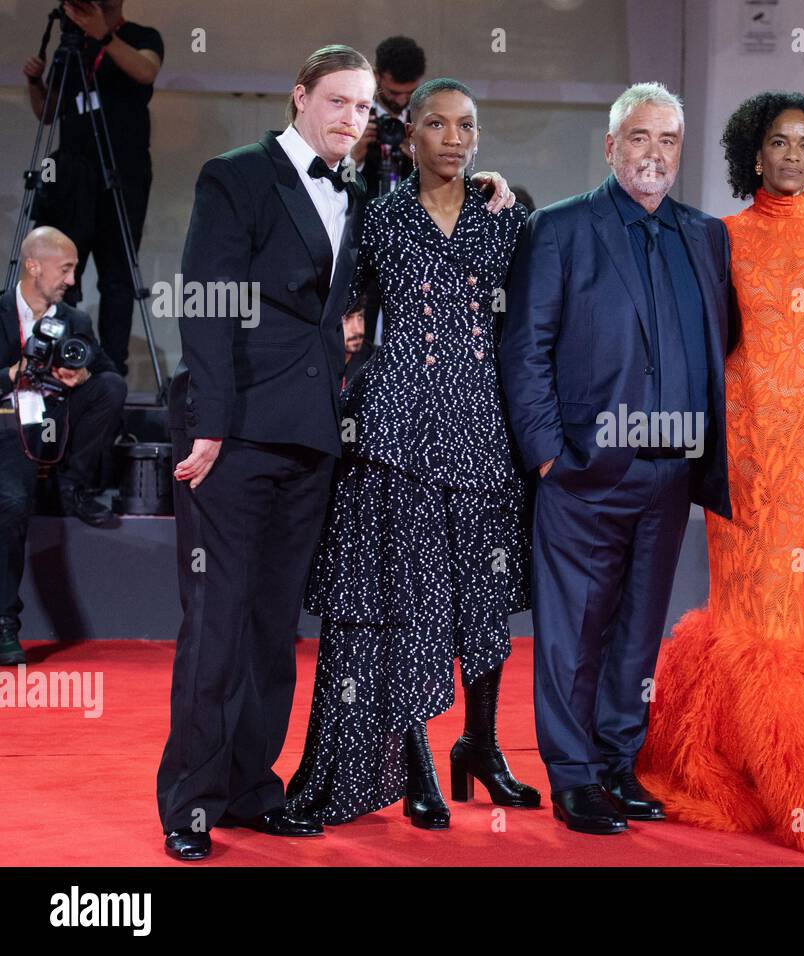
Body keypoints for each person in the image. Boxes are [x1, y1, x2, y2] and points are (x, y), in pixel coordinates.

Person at [636, 92, 804, 857]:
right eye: (780, 144)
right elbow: (696, 345)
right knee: (739, 603)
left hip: (801, 454)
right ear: (753, 154)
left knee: (782, 609)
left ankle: (787, 760)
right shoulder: (718, 239)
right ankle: (726, 757)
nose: (795, 157)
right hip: (739, 446)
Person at [285, 78, 536, 831]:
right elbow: (336, 313)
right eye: (437, 123)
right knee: (410, 602)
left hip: (484, 429)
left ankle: (482, 748)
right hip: (396, 432)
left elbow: (532, 325)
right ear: (411, 136)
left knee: (483, 599)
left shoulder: (506, 219)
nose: (454, 138)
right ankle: (418, 760)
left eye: (467, 125)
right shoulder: (379, 216)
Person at [155, 45, 376, 863]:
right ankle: (191, 803)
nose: (352, 119)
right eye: (338, 102)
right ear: (300, 98)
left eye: (363, 108)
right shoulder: (237, 175)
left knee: (274, 629)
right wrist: (208, 423)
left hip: (310, 439)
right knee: (216, 624)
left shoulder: (351, 194)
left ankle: (253, 789)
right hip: (233, 436)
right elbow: (206, 302)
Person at [500, 82, 731, 835]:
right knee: (573, 629)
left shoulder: (704, 235)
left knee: (638, 629)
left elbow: (717, 344)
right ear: (611, 146)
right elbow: (525, 348)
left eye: (667, 140)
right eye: (639, 138)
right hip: (583, 469)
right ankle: (571, 775)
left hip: (669, 468)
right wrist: (547, 459)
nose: (654, 154)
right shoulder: (561, 228)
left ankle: (616, 762)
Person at [0, 227, 127, 666]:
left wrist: (82, 375)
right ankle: (3, 623)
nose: (73, 280)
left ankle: (71, 487)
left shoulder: (74, 320)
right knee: (13, 504)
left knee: (110, 387)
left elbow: (108, 373)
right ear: (34, 266)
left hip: (57, 422)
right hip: (8, 426)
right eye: (67, 268)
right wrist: (13, 373)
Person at [24, 0, 164, 374]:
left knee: (118, 276)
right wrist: (35, 83)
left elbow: (146, 70)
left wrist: (103, 35)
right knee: (61, 271)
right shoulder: (72, 46)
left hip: (124, 169)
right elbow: (50, 111)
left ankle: (110, 372)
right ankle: (53, 363)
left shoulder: (140, 37)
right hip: (73, 172)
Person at [352, 35, 424, 203]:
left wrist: (424, 161)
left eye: (410, 92)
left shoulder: (425, 120)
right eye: (394, 92)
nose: (402, 100)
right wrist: (353, 157)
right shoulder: (354, 115)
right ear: (376, 76)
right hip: (359, 220)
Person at [340, 291, 374, 391]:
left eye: (360, 317)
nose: (359, 330)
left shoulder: (373, 360)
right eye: (347, 319)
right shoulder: (313, 360)